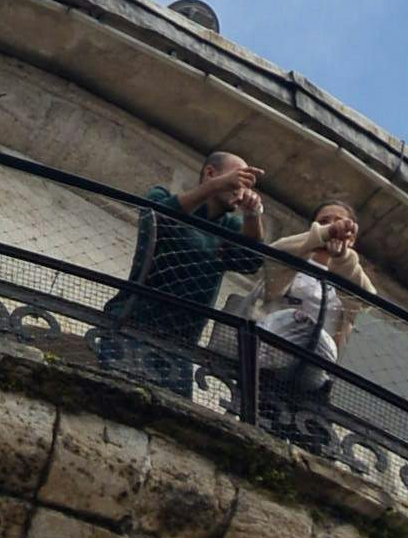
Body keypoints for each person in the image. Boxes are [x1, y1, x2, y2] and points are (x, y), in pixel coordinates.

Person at [95, 147, 274, 395]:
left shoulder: (230, 227)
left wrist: (253, 216)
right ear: (211, 173)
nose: (240, 186)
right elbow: (159, 218)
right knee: (112, 397)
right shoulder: (162, 196)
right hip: (132, 326)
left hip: (180, 348)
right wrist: (215, 187)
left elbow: (250, 262)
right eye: (236, 177)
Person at [232, 199, 371, 454]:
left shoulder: (350, 276)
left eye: (339, 222)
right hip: (269, 365)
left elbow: (365, 300)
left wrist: (343, 258)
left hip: (314, 379)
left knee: (315, 453)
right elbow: (275, 253)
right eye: (324, 221)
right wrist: (324, 235)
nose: (332, 226)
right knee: (247, 441)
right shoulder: (293, 264)